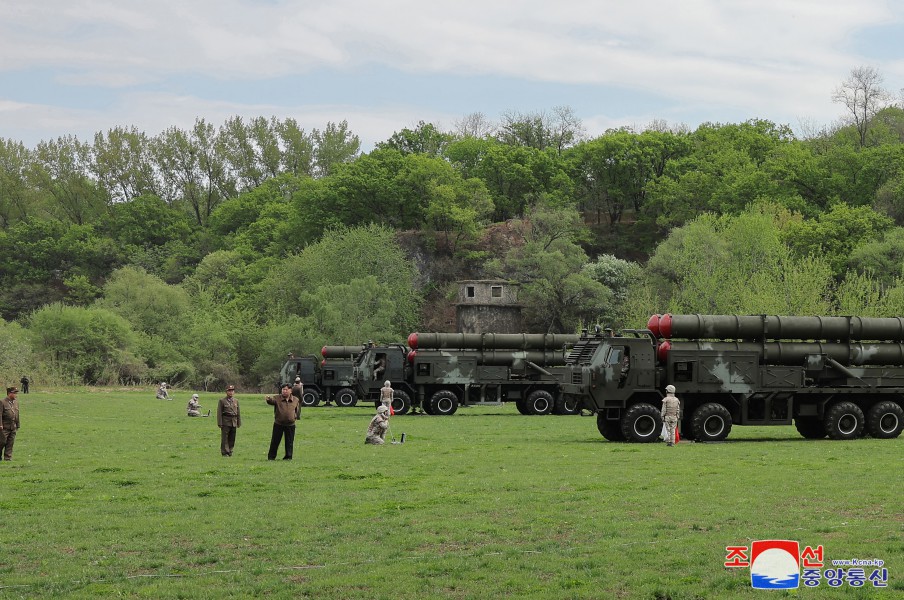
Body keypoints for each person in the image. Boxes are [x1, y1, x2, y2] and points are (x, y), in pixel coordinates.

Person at [266, 383, 300, 460]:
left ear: (290, 390)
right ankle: (271, 457)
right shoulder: (277, 398)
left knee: (289, 442)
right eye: (283, 389)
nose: (284, 391)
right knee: (275, 441)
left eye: (286, 389)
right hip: (279, 424)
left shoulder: (295, 400)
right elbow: (271, 401)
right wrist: (268, 399)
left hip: (290, 425)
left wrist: (295, 417)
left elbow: (297, 410)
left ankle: (288, 456)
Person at [217, 385, 241, 456]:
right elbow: (219, 412)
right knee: (225, 438)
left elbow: (238, 412)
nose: (231, 392)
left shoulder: (236, 401)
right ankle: (225, 452)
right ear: (226, 392)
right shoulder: (222, 401)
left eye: (232, 391)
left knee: (232, 438)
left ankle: (230, 450)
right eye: (229, 391)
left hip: (234, 421)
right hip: (226, 421)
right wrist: (220, 422)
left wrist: (239, 422)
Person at [1, 386, 21, 461]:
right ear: (9, 393)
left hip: (13, 426)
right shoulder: (2, 402)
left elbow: (17, 414)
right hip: (4, 426)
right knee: (2, 442)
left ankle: (8, 457)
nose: (16, 395)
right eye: (14, 393)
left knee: (10, 442)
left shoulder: (16, 402)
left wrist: (18, 424)